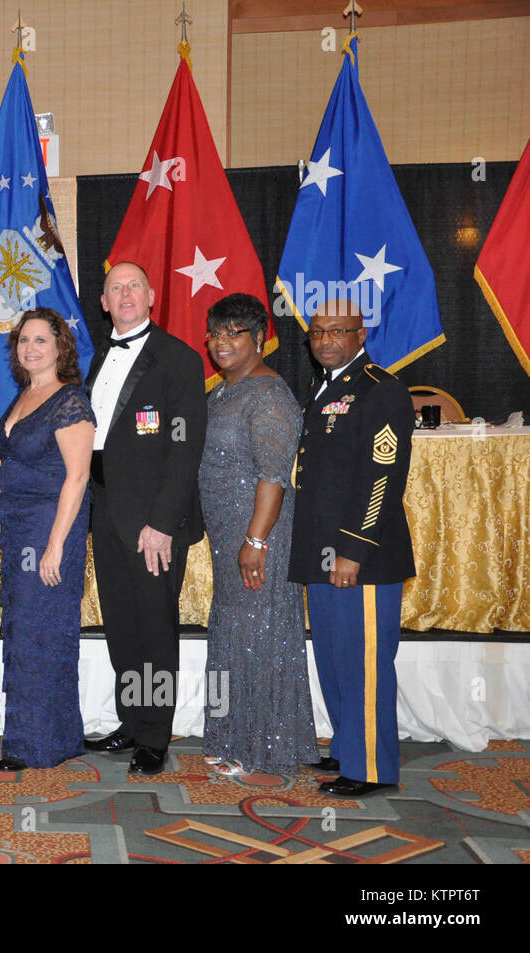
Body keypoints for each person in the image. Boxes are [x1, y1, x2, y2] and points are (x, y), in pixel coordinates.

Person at [83, 261, 206, 776]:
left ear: (151, 296)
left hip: (154, 522)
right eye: (116, 288)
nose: (126, 294)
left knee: (154, 630)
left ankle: (154, 736)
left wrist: (160, 523)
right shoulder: (97, 358)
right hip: (105, 512)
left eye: (134, 285)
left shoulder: (177, 359)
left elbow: (184, 452)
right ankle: (133, 722)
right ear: (105, 301)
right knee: (123, 627)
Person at [290, 299, 415, 797]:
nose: (325, 340)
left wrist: (355, 550)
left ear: (361, 336)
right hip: (323, 552)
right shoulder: (327, 388)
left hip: (359, 556)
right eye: (317, 333)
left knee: (364, 661)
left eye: (337, 331)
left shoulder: (381, 390)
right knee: (336, 658)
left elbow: (381, 479)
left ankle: (371, 767)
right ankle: (348, 747)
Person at [198, 294, 319, 777]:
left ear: (260, 339)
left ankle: (263, 748)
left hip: (258, 535)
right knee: (234, 633)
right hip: (231, 534)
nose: (221, 342)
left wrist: (257, 540)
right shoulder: (225, 391)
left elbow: (274, 476)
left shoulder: (270, 395)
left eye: (233, 333)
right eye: (215, 333)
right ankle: (231, 737)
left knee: (260, 634)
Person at [0, 308, 95, 772]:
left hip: (50, 528)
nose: (31, 348)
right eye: (24, 340)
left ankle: (36, 745)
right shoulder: (23, 396)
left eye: (41, 340)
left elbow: (78, 478)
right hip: (15, 528)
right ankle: (46, 736)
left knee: (41, 633)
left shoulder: (70, 400)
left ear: (60, 347)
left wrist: (56, 545)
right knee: (22, 631)